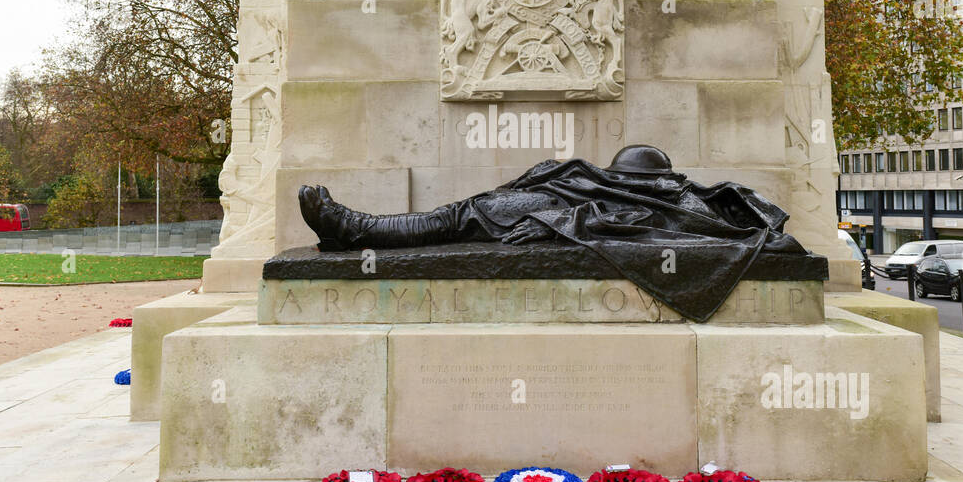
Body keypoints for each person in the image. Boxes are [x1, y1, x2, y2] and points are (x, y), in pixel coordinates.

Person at [296, 144, 812, 322]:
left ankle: (356, 228)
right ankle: (355, 229)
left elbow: (643, 233)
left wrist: (560, 221)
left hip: (558, 212)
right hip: (559, 205)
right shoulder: (678, 195)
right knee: (461, 214)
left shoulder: (691, 206)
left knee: (459, 219)